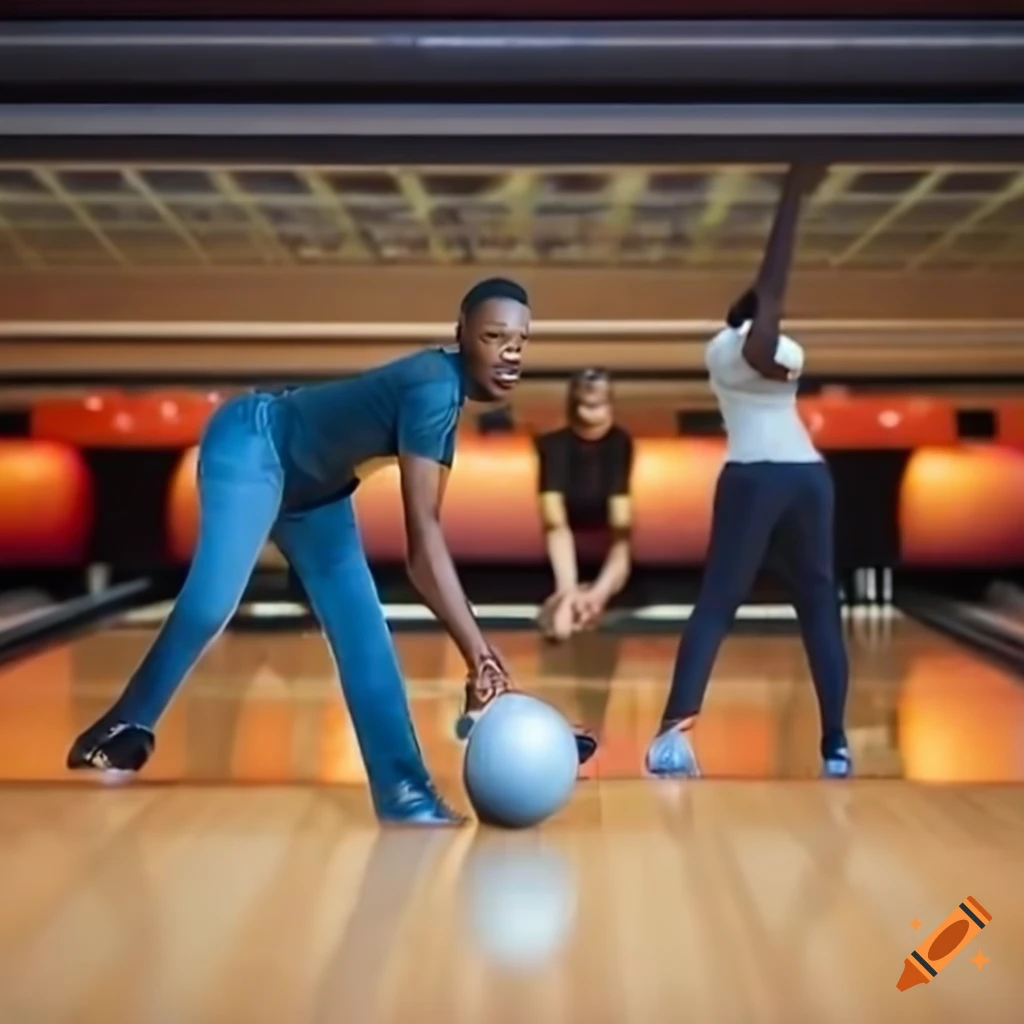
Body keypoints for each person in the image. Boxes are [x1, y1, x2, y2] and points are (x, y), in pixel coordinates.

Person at [68, 277, 597, 826]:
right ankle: (121, 724)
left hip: (317, 495)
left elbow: (424, 541)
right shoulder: (432, 386)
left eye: (520, 341)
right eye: (494, 336)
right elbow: (424, 546)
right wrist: (480, 658)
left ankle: (403, 792)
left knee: (365, 635)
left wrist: (479, 660)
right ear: (460, 333)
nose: (510, 352)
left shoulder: (445, 404)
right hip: (254, 441)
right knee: (211, 601)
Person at [645, 164, 852, 781]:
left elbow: (770, 316)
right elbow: (771, 294)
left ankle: (676, 737)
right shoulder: (732, 347)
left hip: (766, 480)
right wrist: (792, 195)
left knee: (727, 603)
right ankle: (834, 747)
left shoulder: (747, 350)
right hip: (797, 479)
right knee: (809, 605)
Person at [535, 369, 634, 642]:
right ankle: (569, 598)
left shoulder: (619, 444)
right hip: (565, 528)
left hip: (606, 523)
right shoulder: (554, 446)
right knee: (558, 530)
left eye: (600, 404)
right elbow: (555, 526)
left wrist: (596, 594)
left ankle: (588, 600)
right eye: (587, 405)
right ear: (574, 406)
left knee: (622, 542)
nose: (595, 412)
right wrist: (567, 588)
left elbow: (622, 535)